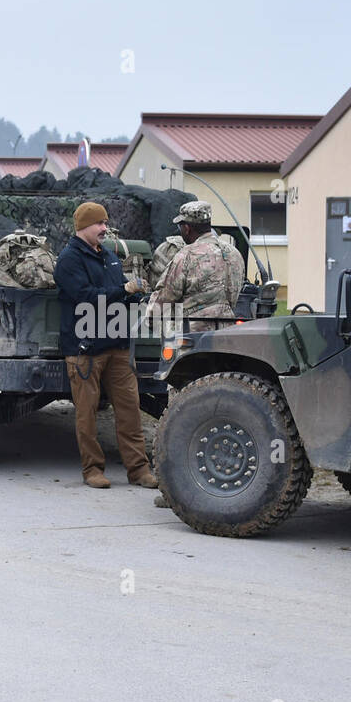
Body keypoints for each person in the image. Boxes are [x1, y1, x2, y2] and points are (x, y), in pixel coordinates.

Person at [52, 201, 158, 490]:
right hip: (85, 348)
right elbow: (86, 297)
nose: (104, 228)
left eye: (105, 222)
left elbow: (120, 295)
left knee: (130, 410)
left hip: (118, 345)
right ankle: (93, 469)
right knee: (87, 414)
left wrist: (140, 297)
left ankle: (139, 470)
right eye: (99, 223)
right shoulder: (69, 260)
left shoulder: (109, 256)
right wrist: (123, 289)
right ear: (83, 226)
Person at [148, 200, 245, 333]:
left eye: (180, 227)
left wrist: (151, 320)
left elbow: (165, 296)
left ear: (187, 229)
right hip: (226, 334)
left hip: (192, 337)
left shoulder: (186, 255)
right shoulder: (234, 254)